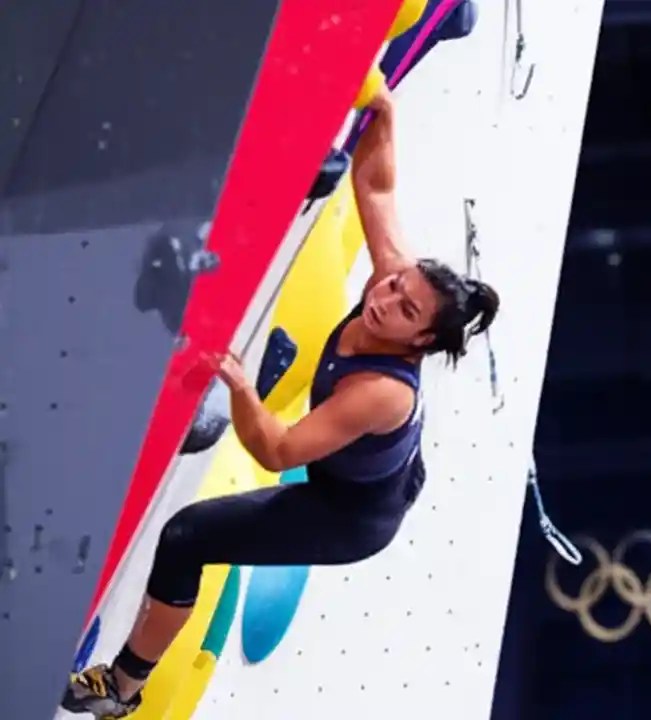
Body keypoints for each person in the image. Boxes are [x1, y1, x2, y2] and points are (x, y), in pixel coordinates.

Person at [62, 81, 499, 718]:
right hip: (382, 471)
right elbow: (375, 188)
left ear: (423, 340)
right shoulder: (392, 284)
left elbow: (276, 448)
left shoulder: (379, 393)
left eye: (404, 309)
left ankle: (123, 689)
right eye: (395, 285)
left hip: (347, 515)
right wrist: (383, 108)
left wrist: (240, 384)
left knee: (188, 536)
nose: (383, 300)